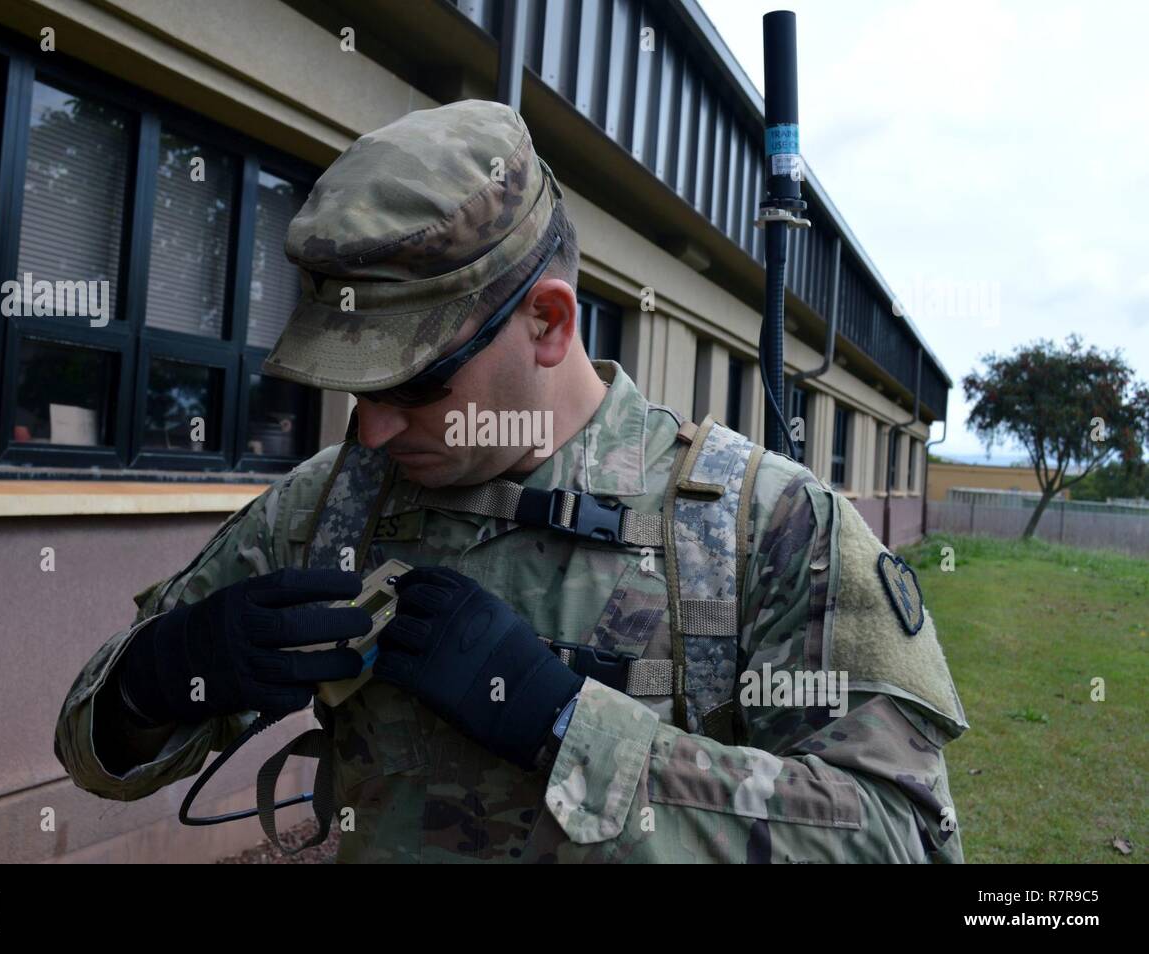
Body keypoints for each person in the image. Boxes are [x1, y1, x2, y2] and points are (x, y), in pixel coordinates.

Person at [54, 99, 968, 863]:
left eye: (414, 385)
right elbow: (92, 743)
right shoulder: (326, 507)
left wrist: (563, 721)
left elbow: (900, 837)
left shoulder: (760, 525)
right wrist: (170, 670)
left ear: (548, 323)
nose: (369, 429)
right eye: (354, 390)